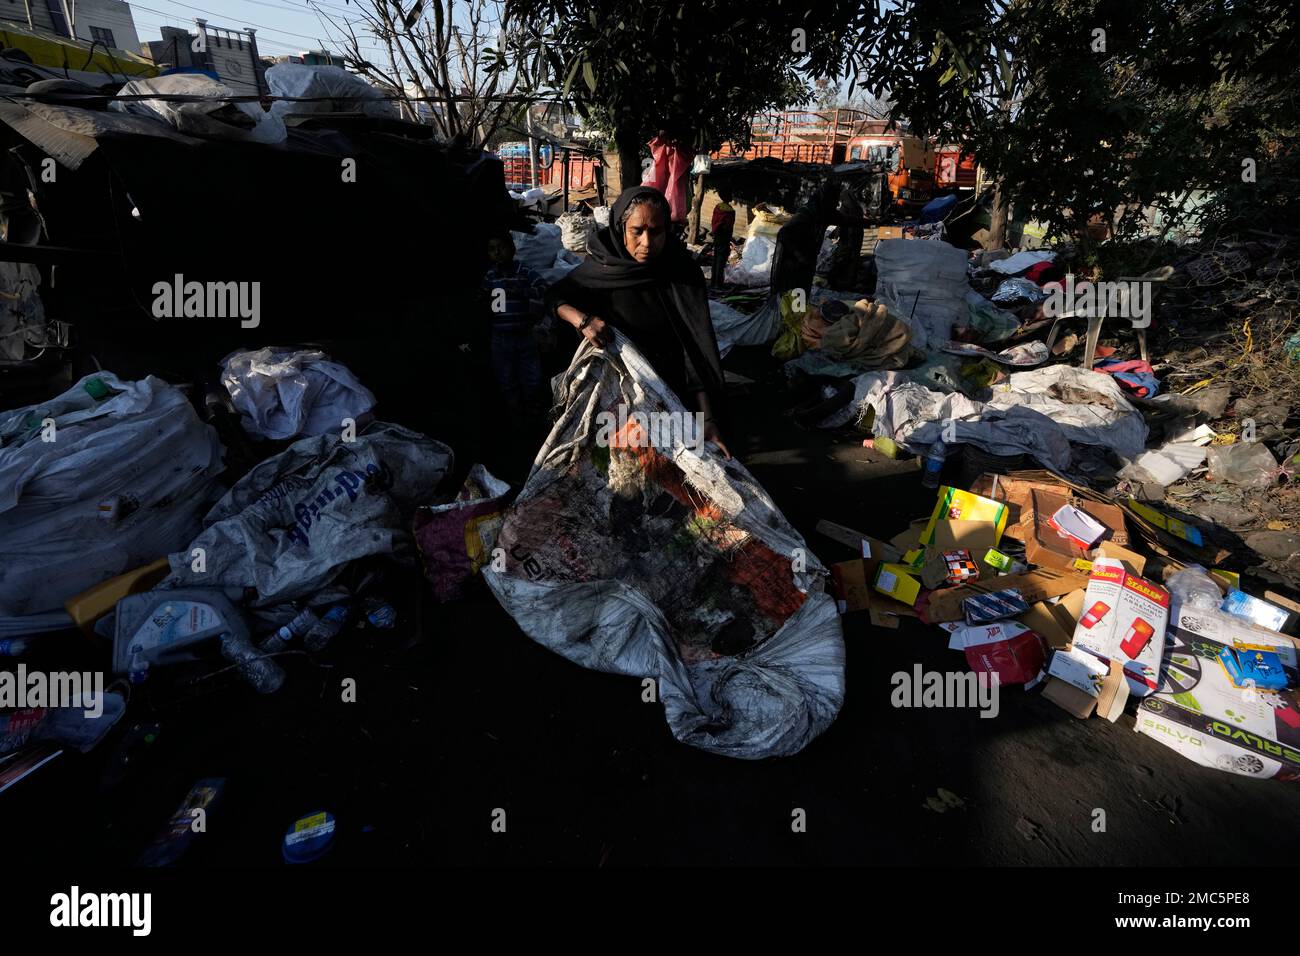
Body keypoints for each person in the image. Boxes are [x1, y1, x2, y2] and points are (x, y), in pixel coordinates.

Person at [546, 185, 731, 458]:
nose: (647, 242)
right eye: (637, 231)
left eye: (656, 232)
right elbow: (554, 297)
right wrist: (583, 320)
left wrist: (706, 419)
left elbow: (694, 349)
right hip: (614, 396)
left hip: (669, 391)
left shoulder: (680, 272)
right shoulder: (602, 269)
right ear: (622, 229)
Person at [770, 176, 875, 300]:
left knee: (802, 293)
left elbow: (846, 220)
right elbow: (784, 234)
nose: (836, 204)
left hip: (807, 260)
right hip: (792, 262)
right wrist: (800, 256)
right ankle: (789, 317)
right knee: (792, 293)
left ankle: (799, 315)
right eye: (834, 200)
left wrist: (870, 223)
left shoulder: (825, 212)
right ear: (826, 199)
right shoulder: (807, 214)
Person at [482, 232, 546, 418]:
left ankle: (534, 411)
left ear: (512, 249)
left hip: (524, 334)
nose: (497, 253)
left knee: (532, 378)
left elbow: (542, 286)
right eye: (492, 249)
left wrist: (523, 291)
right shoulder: (491, 276)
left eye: (501, 247)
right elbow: (482, 298)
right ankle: (515, 414)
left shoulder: (523, 271)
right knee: (506, 378)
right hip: (500, 337)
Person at [709, 184, 736, 290]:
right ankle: (718, 284)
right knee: (721, 260)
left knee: (715, 259)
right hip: (724, 237)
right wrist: (729, 238)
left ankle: (713, 282)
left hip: (717, 235)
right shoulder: (730, 211)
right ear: (728, 195)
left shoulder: (718, 207)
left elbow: (714, 222)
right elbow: (728, 227)